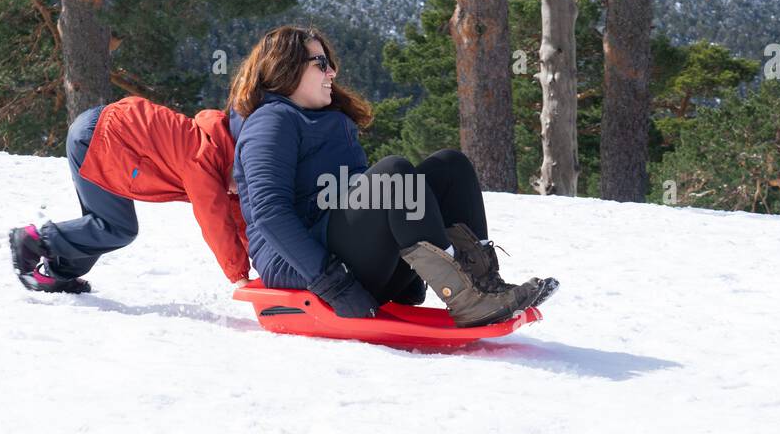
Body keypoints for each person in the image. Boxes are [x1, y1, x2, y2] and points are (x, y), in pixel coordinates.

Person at [228, 26, 556, 328]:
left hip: (343, 250)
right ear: (286, 67)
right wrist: (332, 282)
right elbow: (270, 214)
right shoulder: (270, 122)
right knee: (395, 174)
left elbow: (356, 197)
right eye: (321, 63)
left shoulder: (325, 119)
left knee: (450, 167)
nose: (332, 72)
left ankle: (485, 285)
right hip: (303, 267)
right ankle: (465, 297)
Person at [8, 96, 250, 293]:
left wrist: (270, 270)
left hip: (101, 131)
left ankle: (58, 274)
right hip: (103, 137)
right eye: (242, 181)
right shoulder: (204, 156)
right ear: (236, 161)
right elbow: (216, 222)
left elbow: (238, 221)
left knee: (98, 226)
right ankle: (33, 240)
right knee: (115, 227)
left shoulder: (219, 149)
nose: (239, 188)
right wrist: (240, 277)